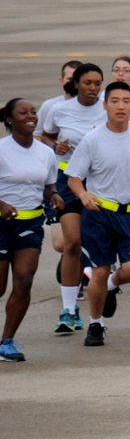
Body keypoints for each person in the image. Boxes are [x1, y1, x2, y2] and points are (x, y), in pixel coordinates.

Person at [65, 81, 130, 347]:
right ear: (104, 105)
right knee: (99, 271)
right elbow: (73, 177)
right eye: (114, 101)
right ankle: (96, 324)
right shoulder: (92, 139)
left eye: (126, 101)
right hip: (100, 214)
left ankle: (111, 286)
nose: (121, 106)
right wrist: (84, 196)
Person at [37, 62, 105, 335]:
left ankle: (103, 294)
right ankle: (69, 310)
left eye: (98, 83)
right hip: (67, 179)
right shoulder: (59, 109)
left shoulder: (108, 108)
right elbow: (44, 136)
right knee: (72, 242)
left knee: (98, 243)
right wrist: (56, 147)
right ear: (75, 84)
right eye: (87, 83)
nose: (93, 88)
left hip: (99, 181)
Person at [0, 100, 56, 360]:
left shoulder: (45, 152)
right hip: (1, 223)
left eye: (33, 112)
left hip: (31, 223)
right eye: (23, 113)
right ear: (9, 120)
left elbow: (48, 185)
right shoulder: (1, 150)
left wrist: (54, 195)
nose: (31, 116)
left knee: (24, 279)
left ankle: (6, 342)